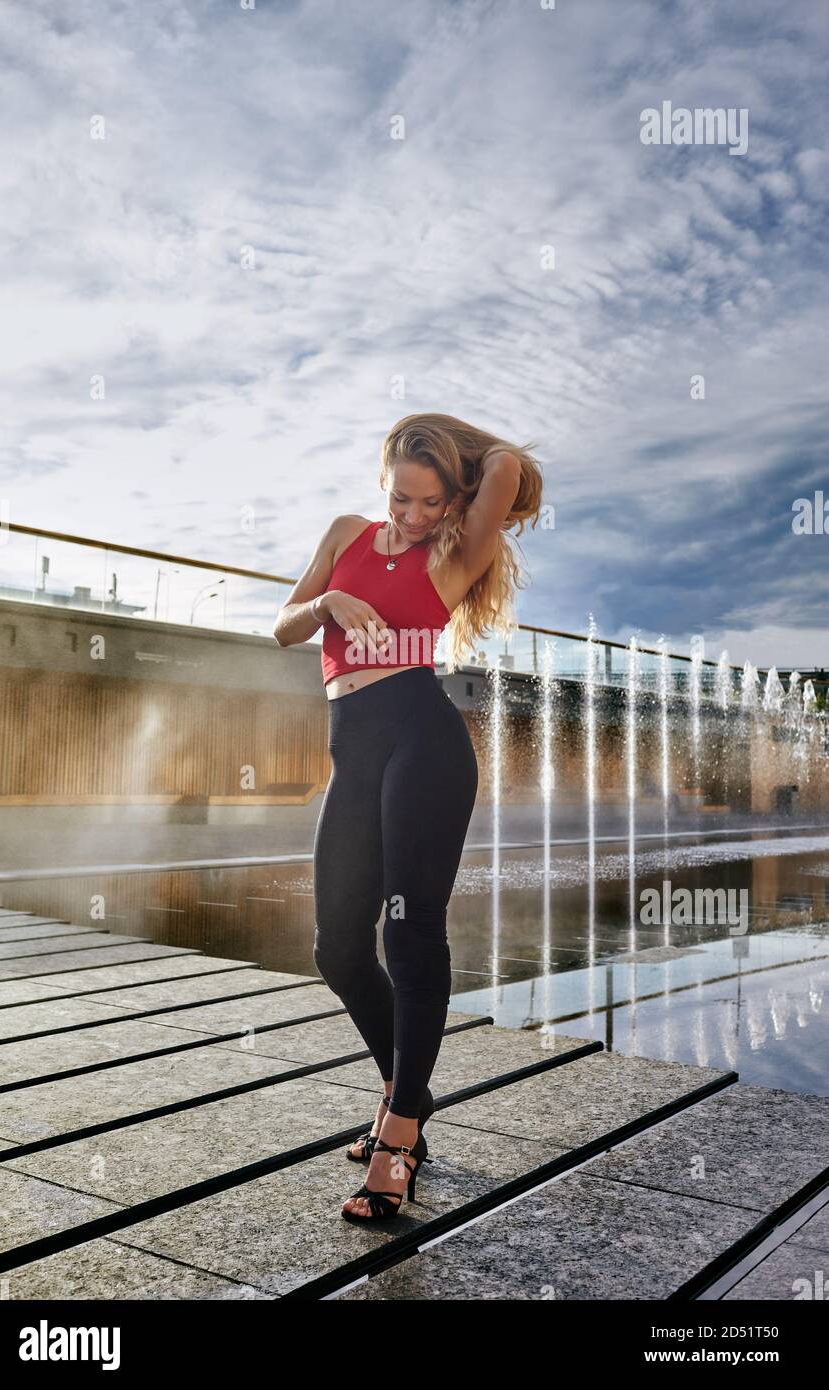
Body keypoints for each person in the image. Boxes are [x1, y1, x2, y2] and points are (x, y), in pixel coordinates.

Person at [272, 412, 543, 1221]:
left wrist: (451, 445)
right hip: (353, 750)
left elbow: (505, 465)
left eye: (432, 502)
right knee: (336, 947)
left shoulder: (455, 553)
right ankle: (409, 1094)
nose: (413, 517)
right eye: (402, 498)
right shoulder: (347, 533)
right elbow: (283, 627)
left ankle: (398, 1134)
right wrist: (330, 600)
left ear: (453, 498)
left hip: (424, 743)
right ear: (382, 476)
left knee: (408, 931)